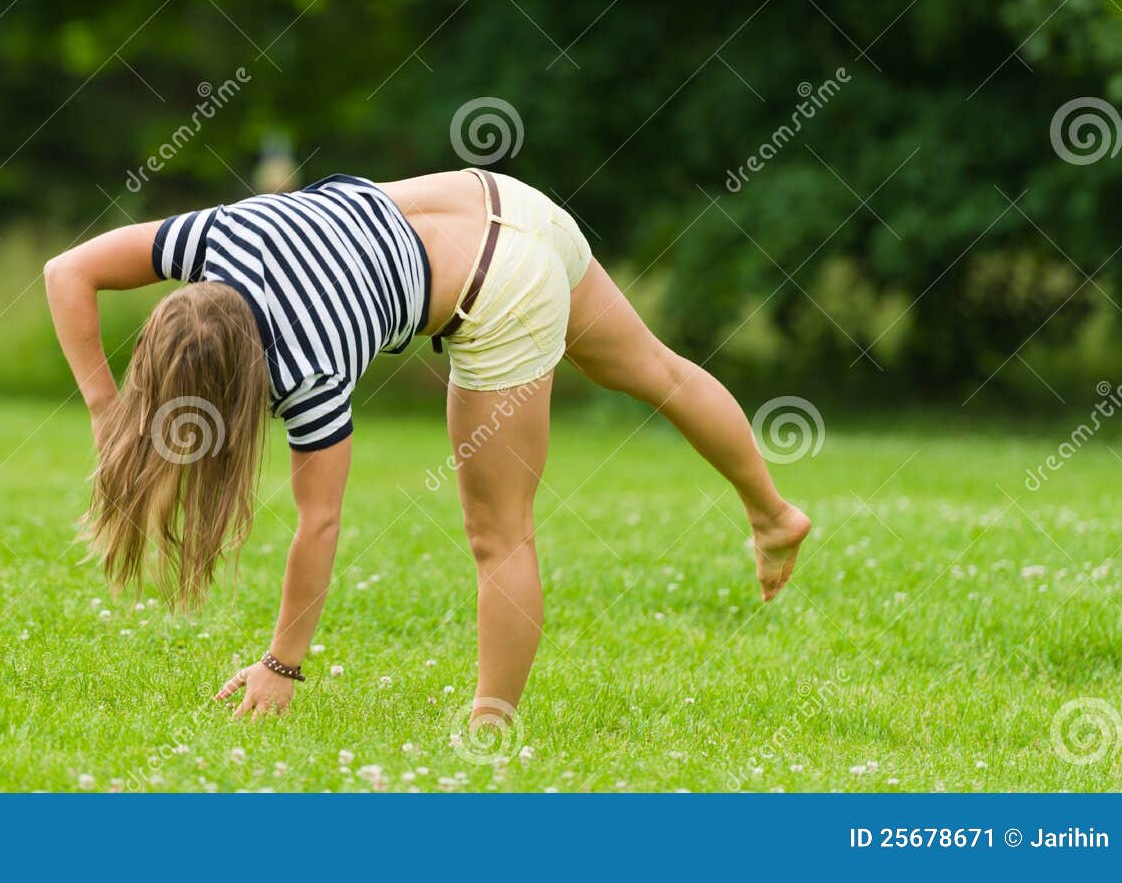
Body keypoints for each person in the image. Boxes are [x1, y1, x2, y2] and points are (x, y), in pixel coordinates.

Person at [43, 170, 810, 722]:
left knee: (497, 530)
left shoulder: (308, 364)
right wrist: (107, 410)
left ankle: (491, 725)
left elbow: (320, 524)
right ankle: (773, 513)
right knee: (656, 370)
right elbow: (66, 272)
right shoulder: (214, 236)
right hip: (496, 198)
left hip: (497, 283)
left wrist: (281, 666)